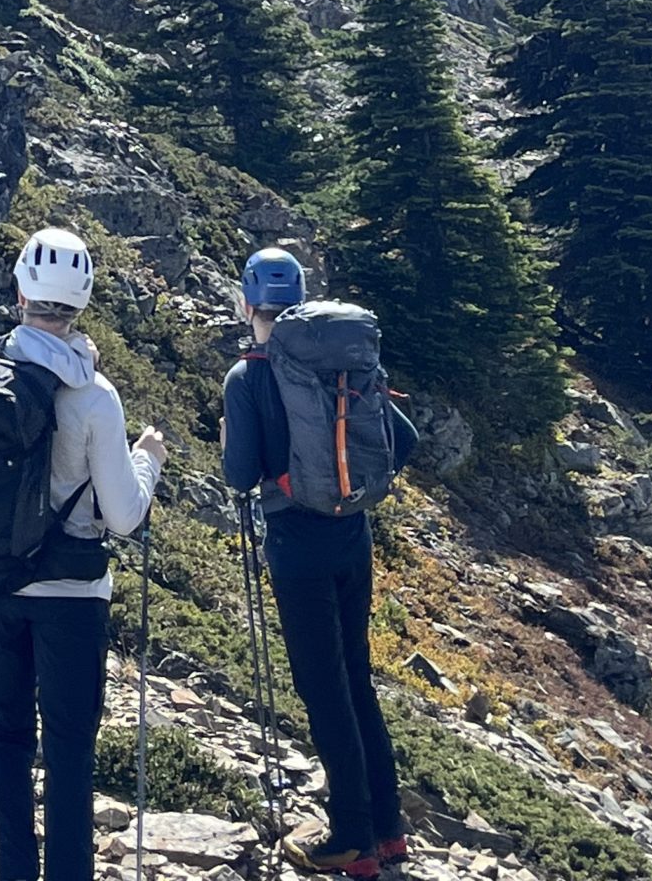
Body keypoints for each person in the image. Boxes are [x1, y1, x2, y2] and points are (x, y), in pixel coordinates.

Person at [0, 228, 165, 881]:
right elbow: (127, 514)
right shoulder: (96, 396)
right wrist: (149, 460)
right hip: (73, 596)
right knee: (71, 750)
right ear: (81, 301)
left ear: (20, 290)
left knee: (4, 738)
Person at [223, 248, 419, 879]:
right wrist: (352, 487)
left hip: (295, 543)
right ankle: (389, 831)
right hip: (351, 534)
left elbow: (239, 474)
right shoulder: (338, 361)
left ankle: (352, 840)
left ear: (249, 305)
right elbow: (405, 440)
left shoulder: (248, 376)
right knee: (355, 676)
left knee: (321, 685)